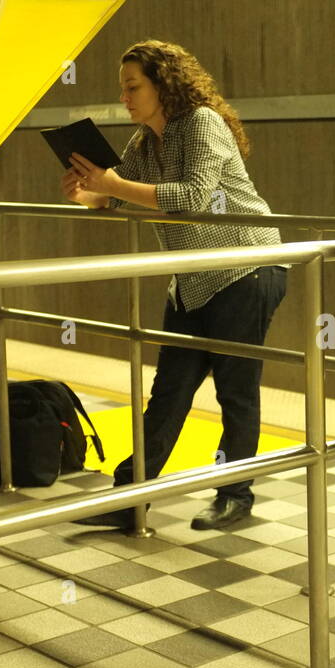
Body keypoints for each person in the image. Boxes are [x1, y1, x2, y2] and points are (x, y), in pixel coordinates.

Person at [61, 39, 287, 532]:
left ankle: (235, 494)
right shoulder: (145, 142)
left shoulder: (201, 123)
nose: (125, 96)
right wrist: (88, 194)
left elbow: (191, 198)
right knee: (168, 392)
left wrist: (111, 185)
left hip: (246, 266)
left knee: (236, 392)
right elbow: (120, 199)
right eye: (122, 87)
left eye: (133, 86)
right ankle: (130, 495)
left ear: (164, 83)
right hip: (194, 279)